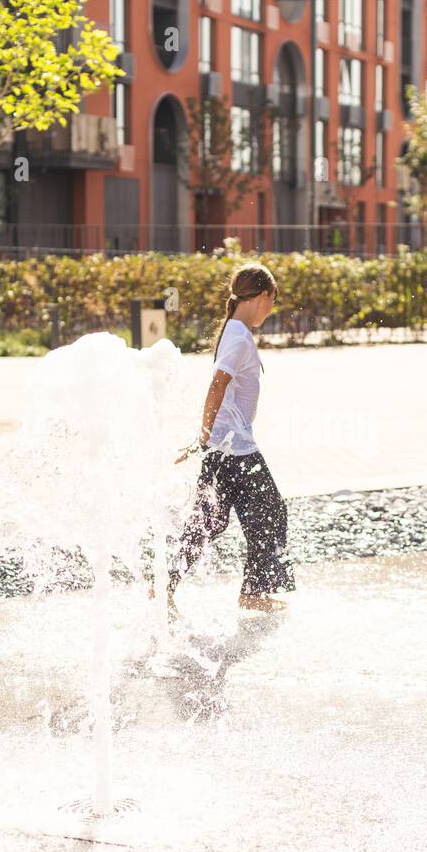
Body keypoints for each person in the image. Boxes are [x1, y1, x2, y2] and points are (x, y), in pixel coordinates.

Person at [168, 262, 295, 613]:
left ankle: (162, 585)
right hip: (234, 447)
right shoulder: (238, 335)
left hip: (225, 446)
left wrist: (205, 439)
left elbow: (220, 383)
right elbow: (218, 382)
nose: (270, 311)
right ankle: (253, 593)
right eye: (272, 302)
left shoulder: (234, 331)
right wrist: (204, 434)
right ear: (263, 296)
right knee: (270, 511)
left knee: (209, 521)